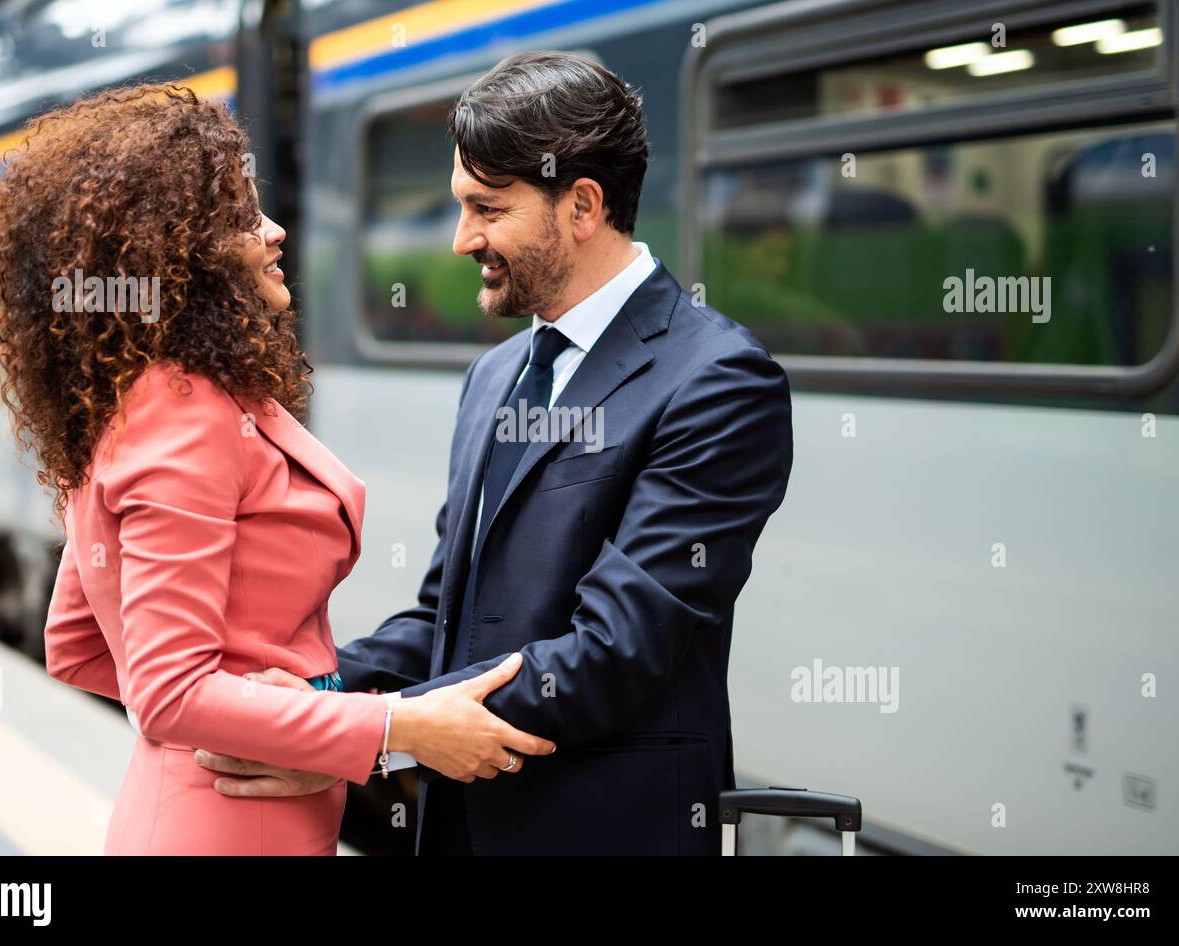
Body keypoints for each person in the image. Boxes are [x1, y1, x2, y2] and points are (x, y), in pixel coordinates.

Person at [200, 51, 793, 855]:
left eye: (486, 208)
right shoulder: (496, 376)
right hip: (461, 832)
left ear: (581, 205)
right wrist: (319, 691)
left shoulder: (719, 382)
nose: (459, 240)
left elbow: (615, 651)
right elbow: (446, 614)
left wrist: (366, 737)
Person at [0, 83, 554, 856]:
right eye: (243, 217)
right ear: (176, 253)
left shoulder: (143, 395)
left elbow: (78, 644)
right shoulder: (182, 409)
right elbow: (169, 689)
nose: (275, 232)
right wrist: (389, 729)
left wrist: (287, 723)